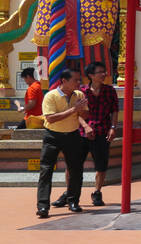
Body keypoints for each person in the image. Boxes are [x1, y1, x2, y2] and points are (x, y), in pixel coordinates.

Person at [36, 68, 88, 218]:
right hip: (52, 136)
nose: (79, 83)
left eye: (79, 80)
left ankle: (73, 201)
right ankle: (43, 206)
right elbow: (51, 118)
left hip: (72, 135)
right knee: (46, 170)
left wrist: (82, 109)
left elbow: (85, 114)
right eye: (75, 80)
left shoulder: (79, 95)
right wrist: (74, 109)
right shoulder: (50, 96)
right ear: (64, 81)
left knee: (76, 169)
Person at [80, 60, 118, 206]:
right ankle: (70, 192)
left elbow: (115, 110)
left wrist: (113, 127)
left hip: (102, 131)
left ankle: (97, 192)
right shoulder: (81, 92)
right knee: (74, 164)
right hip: (82, 133)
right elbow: (75, 112)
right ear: (90, 75)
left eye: (104, 72)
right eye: (100, 72)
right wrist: (85, 126)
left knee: (101, 165)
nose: (103, 74)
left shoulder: (109, 90)